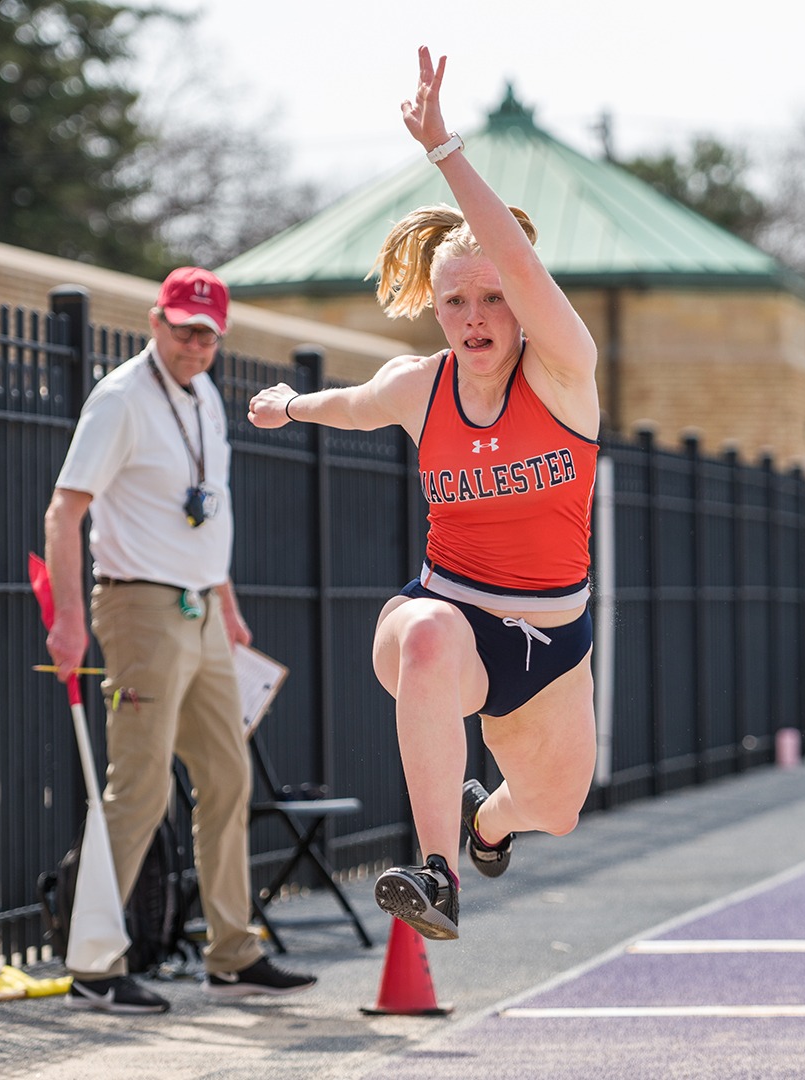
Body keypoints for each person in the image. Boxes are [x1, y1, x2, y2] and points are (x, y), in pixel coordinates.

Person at [247, 48, 600, 942]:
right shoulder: (421, 388)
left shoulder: (565, 375)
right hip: (445, 613)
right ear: (434, 308)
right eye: (455, 302)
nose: (475, 317)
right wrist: (290, 405)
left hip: (551, 639)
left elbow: (519, 265)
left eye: (492, 297)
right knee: (433, 638)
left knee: (556, 809)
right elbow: (354, 404)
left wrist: (446, 150)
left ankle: (487, 823)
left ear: (520, 304)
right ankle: (439, 869)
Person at [44, 266, 316, 1013]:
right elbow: (64, 513)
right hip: (139, 609)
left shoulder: (205, 397)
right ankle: (96, 965)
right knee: (139, 787)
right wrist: (70, 620)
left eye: (207, 334)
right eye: (183, 328)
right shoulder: (122, 398)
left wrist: (225, 600)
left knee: (228, 778)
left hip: (200, 609)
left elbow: (208, 509)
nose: (195, 344)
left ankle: (232, 954)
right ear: (156, 322)